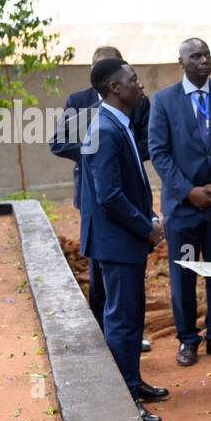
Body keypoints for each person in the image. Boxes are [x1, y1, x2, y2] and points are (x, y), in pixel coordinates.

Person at [148, 38, 211, 366]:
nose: (204, 61)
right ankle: (188, 339)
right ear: (182, 62)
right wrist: (188, 190)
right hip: (184, 209)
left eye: (206, 55)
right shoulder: (164, 101)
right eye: (196, 56)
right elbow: (159, 152)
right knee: (185, 274)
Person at [77, 58, 168, 421]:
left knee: (130, 317)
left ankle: (133, 380)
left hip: (119, 240)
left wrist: (151, 215)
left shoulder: (117, 123)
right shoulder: (105, 128)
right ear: (115, 88)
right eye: (133, 80)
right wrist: (146, 227)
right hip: (117, 243)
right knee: (122, 320)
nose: (140, 85)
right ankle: (125, 397)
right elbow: (109, 195)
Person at [48, 44, 153, 352]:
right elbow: (58, 142)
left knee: (122, 285)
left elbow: (144, 143)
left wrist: (117, 159)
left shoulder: (136, 104)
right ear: (107, 81)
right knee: (102, 271)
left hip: (123, 195)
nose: (137, 84)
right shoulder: (79, 102)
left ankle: (122, 342)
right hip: (95, 199)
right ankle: (104, 335)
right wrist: (94, 156)